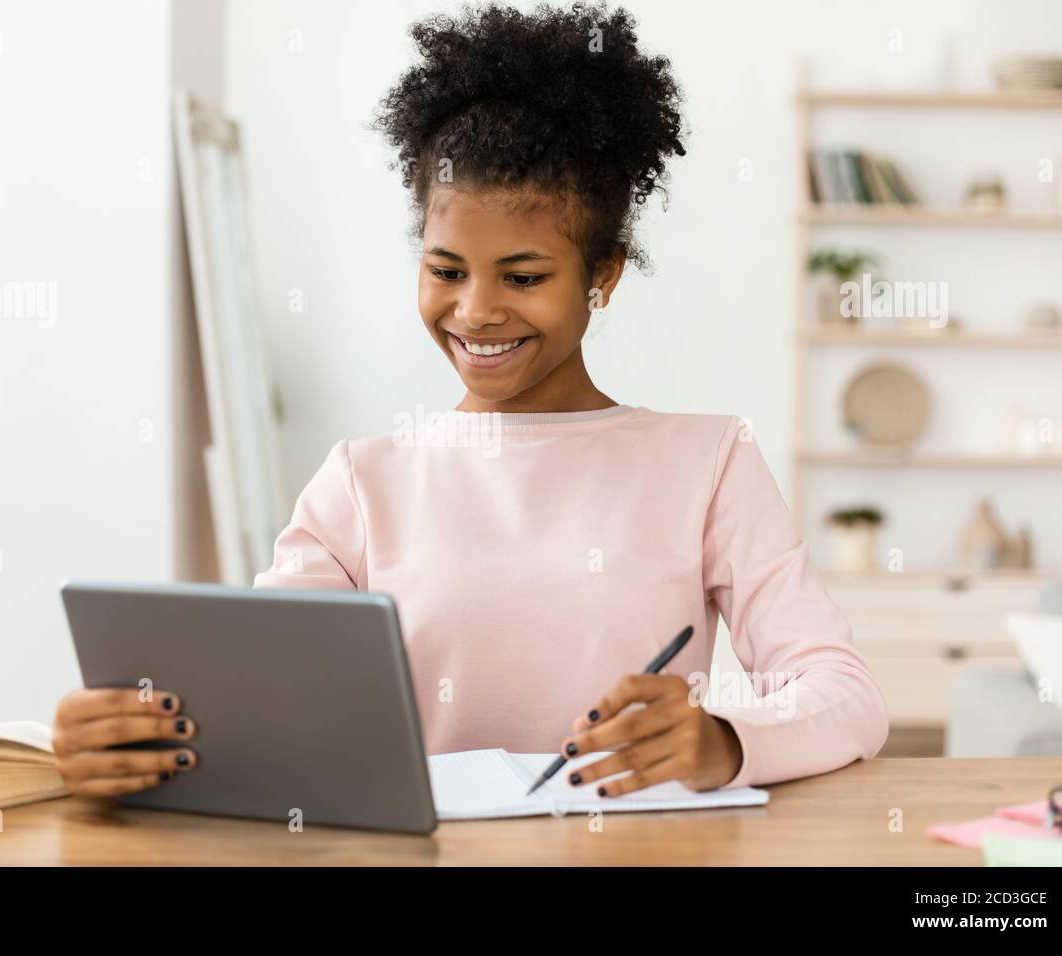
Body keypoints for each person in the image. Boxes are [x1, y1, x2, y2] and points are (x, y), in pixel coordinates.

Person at [52, 0, 888, 799]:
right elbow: (263, 707)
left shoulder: (708, 463)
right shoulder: (359, 485)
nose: (476, 310)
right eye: (446, 269)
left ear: (602, 277)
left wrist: (721, 742)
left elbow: (844, 695)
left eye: (524, 277)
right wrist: (138, 733)